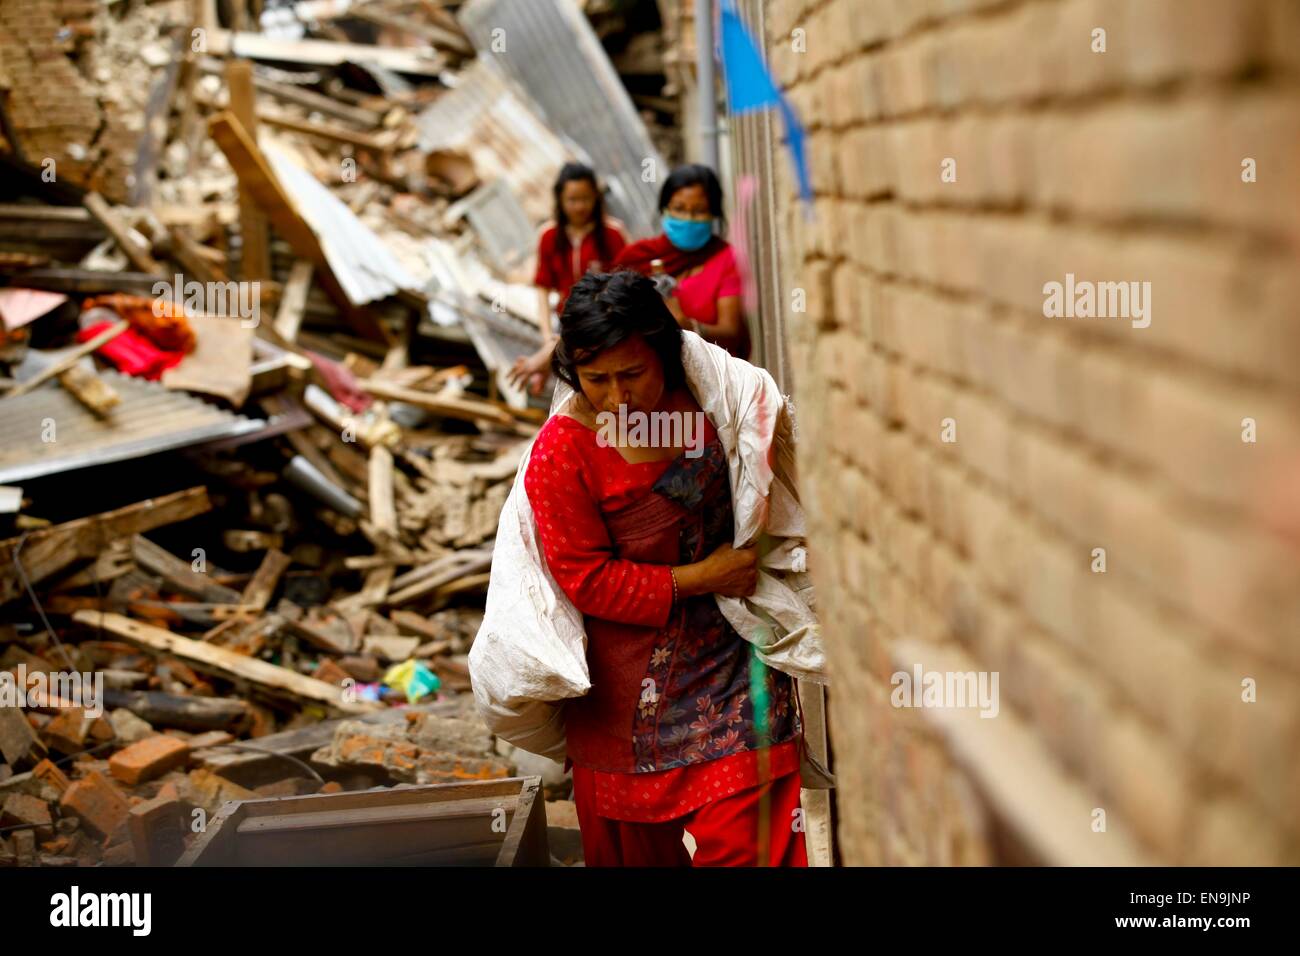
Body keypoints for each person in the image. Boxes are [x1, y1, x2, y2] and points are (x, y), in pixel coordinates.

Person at [522, 270, 806, 866]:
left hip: (734, 670)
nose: (617, 398)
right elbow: (585, 579)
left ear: (666, 353)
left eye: (633, 374)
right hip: (623, 703)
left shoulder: (713, 402)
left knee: (751, 849)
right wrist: (704, 576)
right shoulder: (562, 455)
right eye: (596, 379)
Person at [509, 163, 628, 395]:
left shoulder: (613, 233)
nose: (579, 206)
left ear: (596, 198)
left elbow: (626, 284)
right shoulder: (549, 236)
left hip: (607, 323)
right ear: (560, 201)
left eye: (585, 199)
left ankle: (541, 363)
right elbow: (542, 289)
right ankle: (547, 359)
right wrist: (546, 337)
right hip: (563, 323)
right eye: (572, 200)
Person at [613, 164, 750, 359]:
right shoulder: (637, 257)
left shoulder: (725, 258)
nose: (688, 218)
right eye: (679, 209)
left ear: (714, 214)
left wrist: (688, 327)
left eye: (699, 211)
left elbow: (731, 332)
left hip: (709, 372)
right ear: (664, 209)